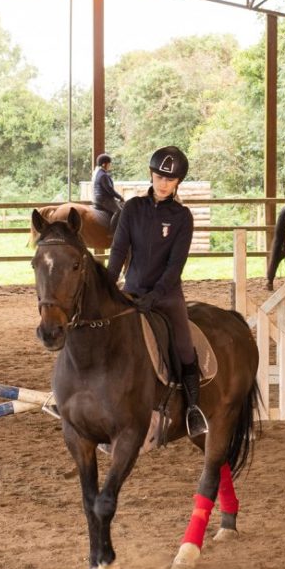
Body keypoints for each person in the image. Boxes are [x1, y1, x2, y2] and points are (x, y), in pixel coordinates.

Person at [106, 145, 206, 438]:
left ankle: (192, 410)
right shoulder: (132, 208)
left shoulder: (182, 217)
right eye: (159, 176)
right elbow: (118, 251)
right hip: (132, 290)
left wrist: (157, 294)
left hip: (166, 296)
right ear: (151, 175)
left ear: (177, 183)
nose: (163, 183)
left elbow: (176, 265)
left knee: (185, 349)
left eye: (170, 179)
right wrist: (108, 285)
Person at [91, 152, 125, 230]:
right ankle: (113, 231)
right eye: (109, 164)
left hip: (99, 198)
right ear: (104, 164)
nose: (110, 166)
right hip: (103, 199)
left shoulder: (97, 173)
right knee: (119, 211)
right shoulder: (103, 175)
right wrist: (120, 197)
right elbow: (110, 190)